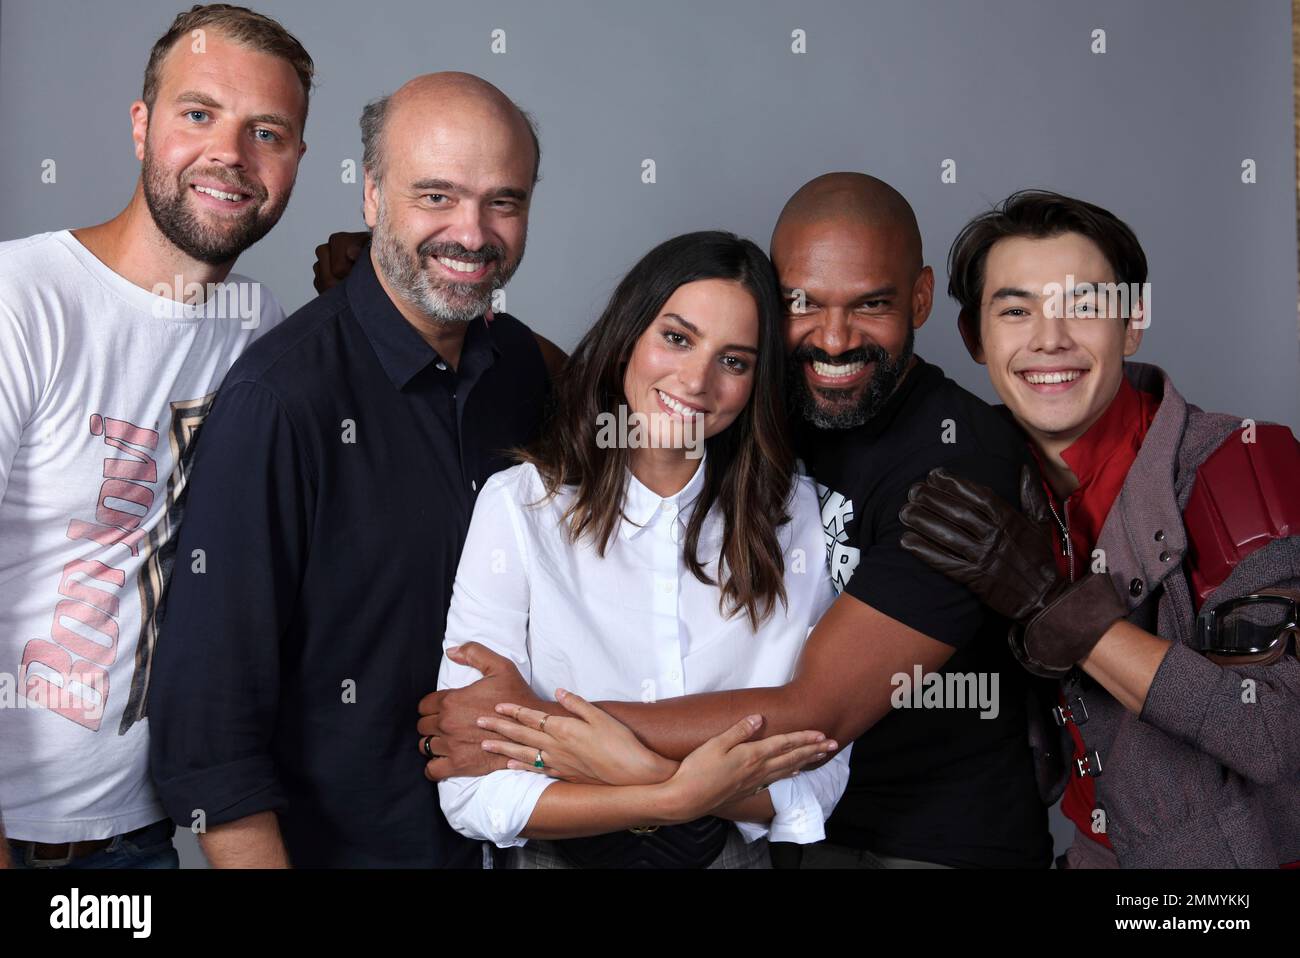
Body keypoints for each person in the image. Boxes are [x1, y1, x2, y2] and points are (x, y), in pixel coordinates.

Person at [416, 174, 1055, 869]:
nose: (835, 338)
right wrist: (424, 306)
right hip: (755, 840)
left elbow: (818, 726)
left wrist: (542, 729)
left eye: (871, 304)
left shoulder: (928, 468)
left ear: (921, 298)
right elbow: (656, 392)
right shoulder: (528, 501)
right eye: (805, 304)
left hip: (938, 838)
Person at [148, 72, 564, 868]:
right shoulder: (280, 402)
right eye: (435, 197)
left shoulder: (521, 369)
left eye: (502, 202)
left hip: (526, 844)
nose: (473, 235)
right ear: (371, 196)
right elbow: (209, 736)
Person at [899, 189, 1300, 867]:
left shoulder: (1241, 462)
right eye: (1016, 310)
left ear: (1132, 323)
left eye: (1083, 307)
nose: (1049, 339)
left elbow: (1270, 729)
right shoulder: (979, 471)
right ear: (974, 337)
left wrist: (1053, 605)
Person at [0, 3, 310, 870]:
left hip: (143, 832)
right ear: (142, 126)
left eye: (268, 132)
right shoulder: (22, 301)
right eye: (199, 113)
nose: (231, 156)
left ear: (296, 162)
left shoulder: (259, 329)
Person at [434, 230, 849, 868]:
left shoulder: (799, 518)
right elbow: (472, 785)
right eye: (677, 338)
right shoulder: (519, 505)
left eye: (734, 361)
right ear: (629, 336)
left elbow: (818, 770)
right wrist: (672, 794)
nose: (696, 379)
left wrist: (600, 761)